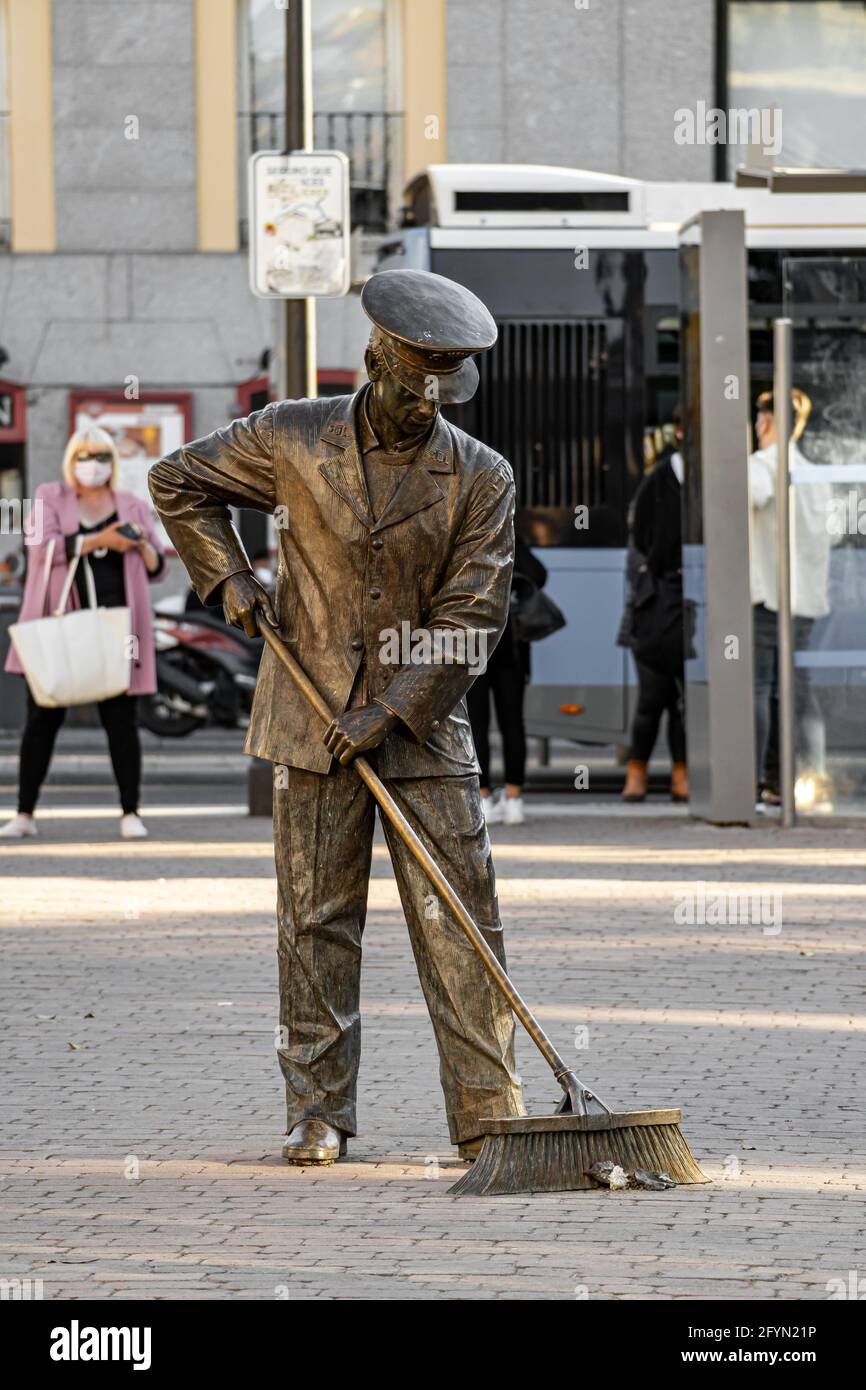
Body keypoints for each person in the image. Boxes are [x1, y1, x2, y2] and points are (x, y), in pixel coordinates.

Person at [148, 268, 526, 1167]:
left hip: (426, 730)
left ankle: (488, 1111)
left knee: (458, 921)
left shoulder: (481, 476)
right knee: (315, 921)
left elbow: (474, 614)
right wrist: (228, 576)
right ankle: (318, 1108)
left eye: (439, 391)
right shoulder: (290, 436)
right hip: (307, 715)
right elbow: (176, 481)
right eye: (408, 386)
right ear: (374, 361)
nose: (419, 406)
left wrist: (392, 710)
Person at [1, 427, 165, 839]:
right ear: (71, 459)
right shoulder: (50, 496)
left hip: (118, 626)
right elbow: (41, 548)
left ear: (112, 462)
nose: (92, 465)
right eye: (84, 456)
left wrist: (141, 544)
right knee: (43, 718)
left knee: (121, 722)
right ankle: (24, 814)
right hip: (62, 622)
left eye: (101, 456)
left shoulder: (130, 503)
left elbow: (156, 567)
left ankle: (131, 812)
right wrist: (100, 540)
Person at [748, 389, 832, 813]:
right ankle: (809, 780)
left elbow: (753, 497)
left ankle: (762, 783)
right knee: (798, 690)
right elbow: (830, 534)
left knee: (761, 688)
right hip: (807, 600)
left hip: (769, 599)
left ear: (765, 421)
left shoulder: (761, 466)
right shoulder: (814, 475)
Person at [618, 413, 688, 803]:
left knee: (682, 703)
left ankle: (681, 774)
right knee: (652, 699)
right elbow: (639, 543)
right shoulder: (656, 482)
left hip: (687, 607)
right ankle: (637, 773)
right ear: (678, 433)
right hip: (654, 606)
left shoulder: (707, 480)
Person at [466, 536, 546, 826]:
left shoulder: (470, 543)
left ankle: (484, 798)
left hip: (475, 649)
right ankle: (514, 800)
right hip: (511, 651)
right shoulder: (512, 541)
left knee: (477, 724)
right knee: (513, 724)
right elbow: (539, 575)